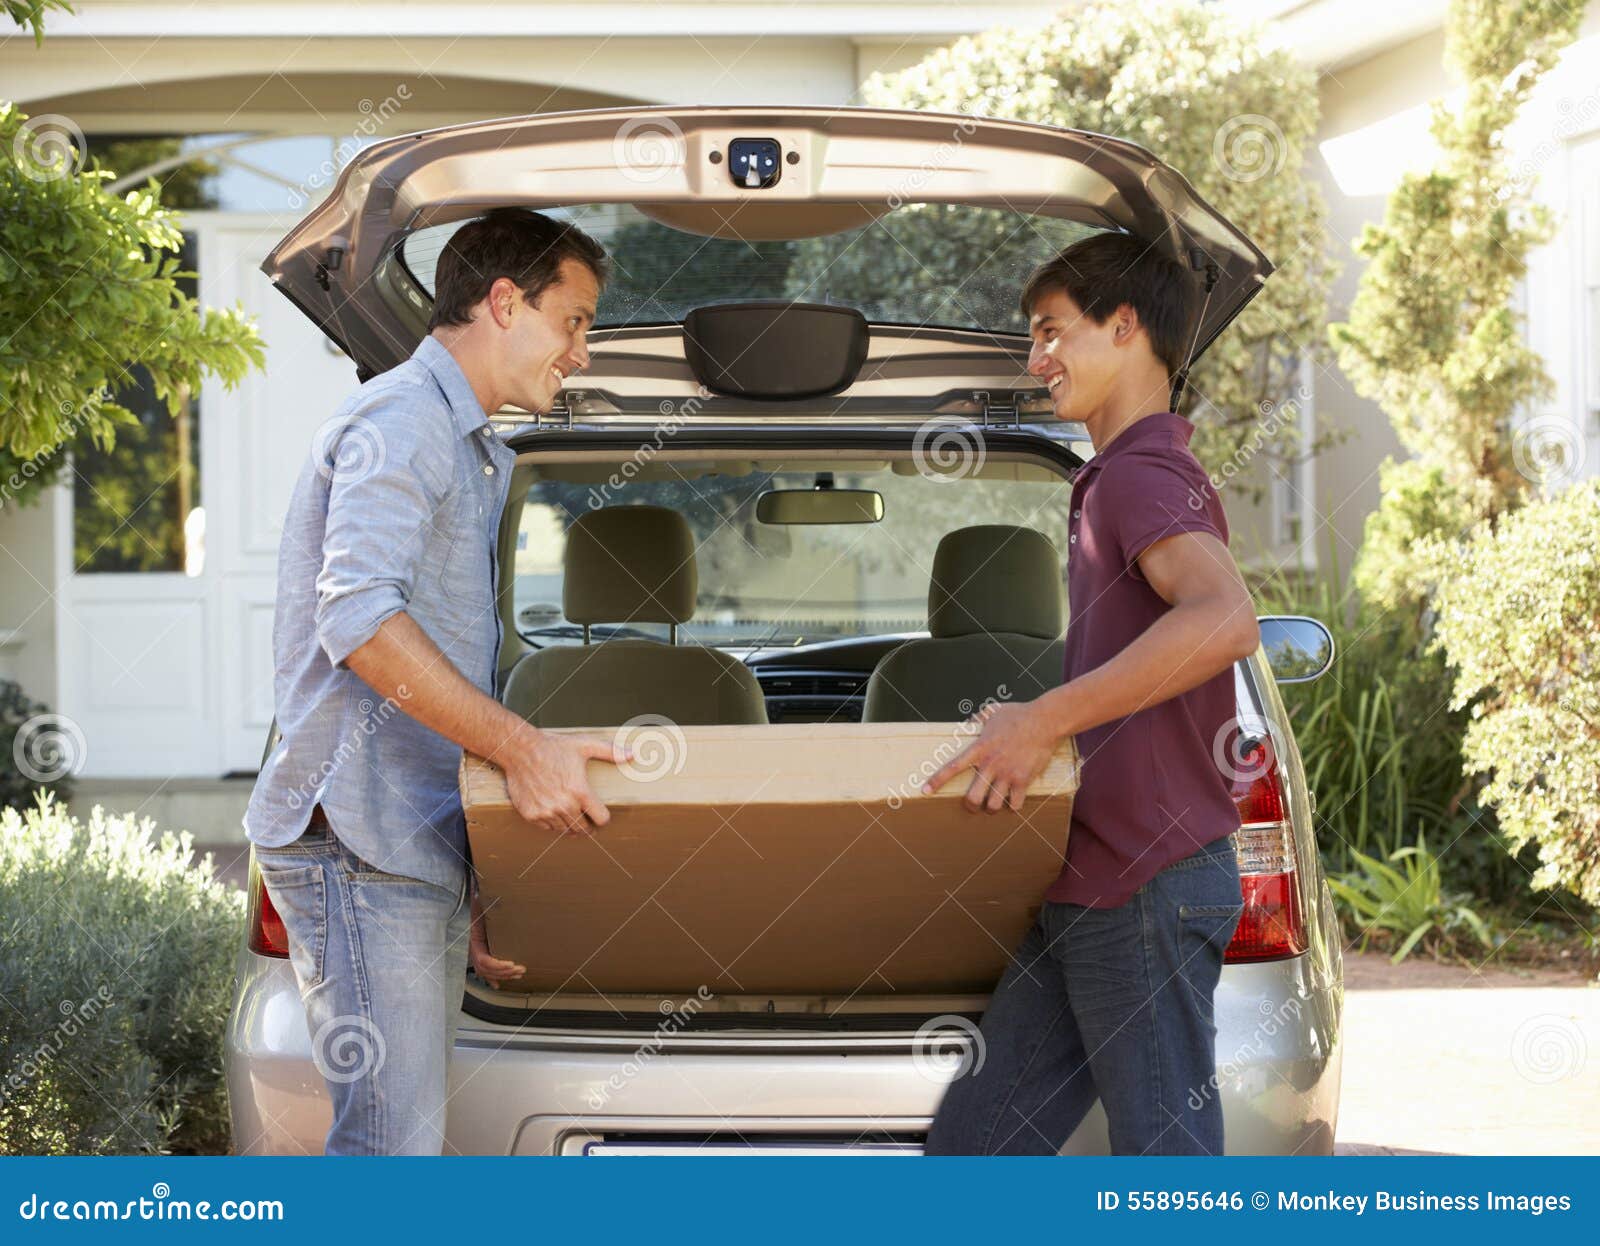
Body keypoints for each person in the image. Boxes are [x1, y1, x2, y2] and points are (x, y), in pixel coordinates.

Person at [243, 207, 627, 1155]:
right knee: (391, 1156)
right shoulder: (403, 418)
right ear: (505, 302)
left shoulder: (469, 444)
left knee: (400, 1150)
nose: (581, 351)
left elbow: (431, 657)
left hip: (402, 843)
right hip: (358, 842)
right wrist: (525, 750)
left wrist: (470, 862)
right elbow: (360, 619)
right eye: (574, 320)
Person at [921, 232, 1259, 1156]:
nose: (1038, 361)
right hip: (1092, 882)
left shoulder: (1138, 476)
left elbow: (1226, 616)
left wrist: (1042, 721)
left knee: (1166, 1168)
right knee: (977, 1153)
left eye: (1051, 333)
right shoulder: (1118, 476)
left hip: (1146, 883)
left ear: (1124, 326)